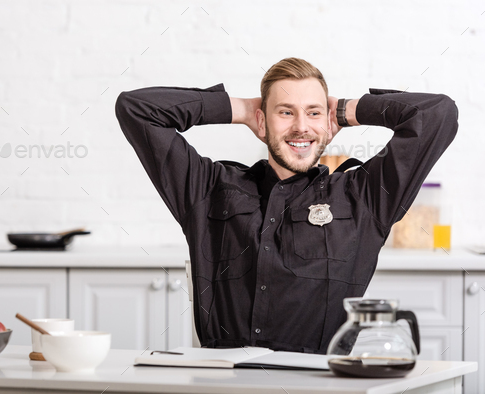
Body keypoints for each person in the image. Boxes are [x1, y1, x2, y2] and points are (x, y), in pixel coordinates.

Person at [114, 57, 458, 353]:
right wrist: (243, 109)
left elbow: (436, 114)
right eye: (285, 112)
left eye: (313, 113)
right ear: (263, 122)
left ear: (326, 123)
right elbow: (137, 110)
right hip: (222, 383)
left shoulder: (363, 196)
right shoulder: (207, 188)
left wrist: (344, 110)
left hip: (320, 384)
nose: (301, 126)